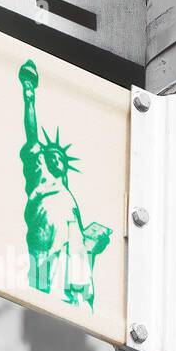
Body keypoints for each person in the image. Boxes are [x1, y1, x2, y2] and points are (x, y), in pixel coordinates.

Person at [18, 60, 110, 308]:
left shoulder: (69, 197)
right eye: (52, 156)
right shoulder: (39, 175)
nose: (56, 159)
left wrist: (92, 238)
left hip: (67, 248)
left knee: (67, 293)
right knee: (42, 286)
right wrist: (29, 95)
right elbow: (32, 136)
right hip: (44, 236)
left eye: (60, 158)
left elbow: (81, 247)